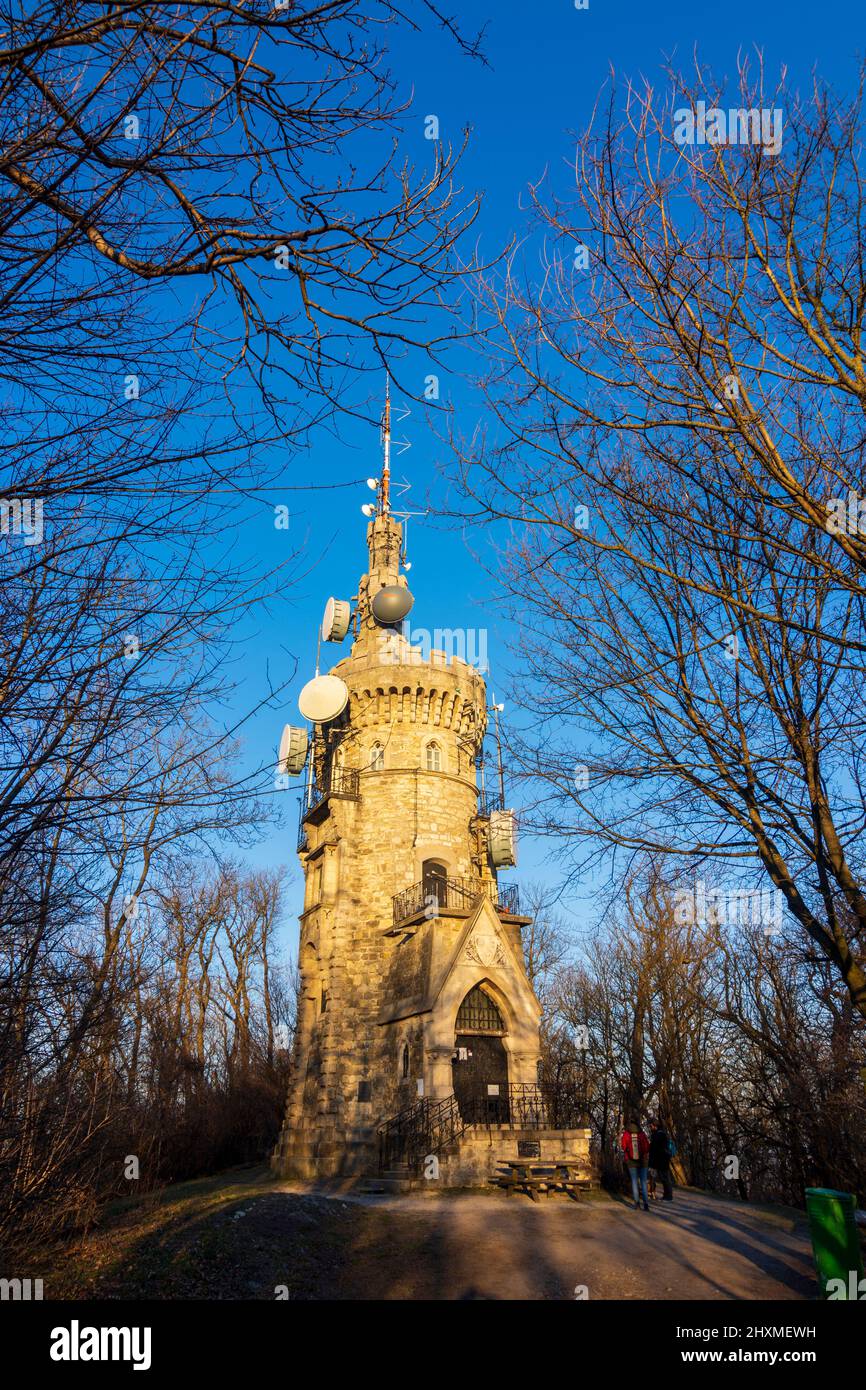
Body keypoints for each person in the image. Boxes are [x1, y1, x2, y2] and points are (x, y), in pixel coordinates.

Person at [620, 1119, 650, 1210]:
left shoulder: (626, 1134)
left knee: (634, 1182)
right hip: (643, 1162)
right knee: (643, 1182)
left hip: (631, 1162)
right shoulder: (642, 1133)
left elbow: (623, 1146)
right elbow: (647, 1147)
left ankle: (637, 1203)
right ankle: (646, 1204)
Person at [649, 1117, 675, 1202]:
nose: (650, 1127)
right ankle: (667, 1195)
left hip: (662, 1160)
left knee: (665, 1178)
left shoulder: (658, 1135)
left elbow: (654, 1149)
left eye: (651, 1126)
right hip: (663, 1159)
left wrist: (652, 1162)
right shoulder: (662, 1134)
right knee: (665, 1178)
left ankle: (668, 1196)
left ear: (655, 1126)